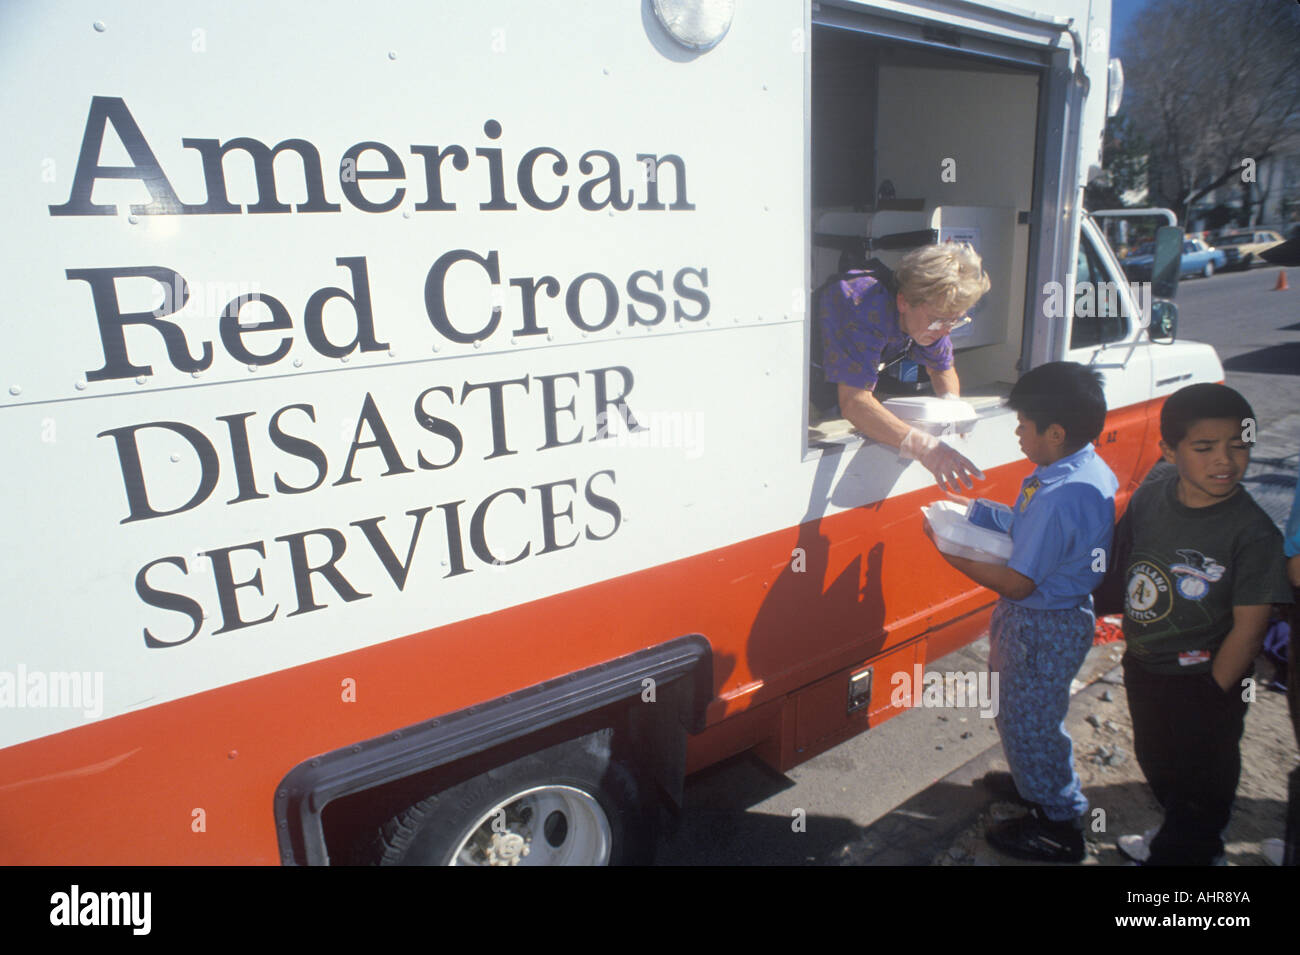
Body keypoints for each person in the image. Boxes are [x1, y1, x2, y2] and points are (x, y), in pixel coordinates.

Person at [923, 361, 1117, 862]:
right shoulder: (1073, 467)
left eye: (1023, 424)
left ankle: (1057, 822)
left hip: (1040, 625)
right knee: (1024, 714)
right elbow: (1030, 529)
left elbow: (1018, 580)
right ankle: (1036, 782)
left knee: (1029, 721)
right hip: (1049, 621)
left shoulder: (1060, 495)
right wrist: (980, 511)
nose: (1016, 431)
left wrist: (952, 553)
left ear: (1055, 432)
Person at [1108, 383, 1293, 865]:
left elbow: (1250, 630)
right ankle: (1181, 834)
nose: (1225, 461)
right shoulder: (1153, 492)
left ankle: (1192, 853)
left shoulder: (1254, 534)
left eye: (1239, 445)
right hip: (1145, 666)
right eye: (1205, 448)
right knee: (1158, 761)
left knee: (1204, 779)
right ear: (1169, 450)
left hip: (1206, 680)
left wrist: (1213, 694)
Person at [819, 242, 990, 492]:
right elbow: (854, 403)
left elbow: (941, 369)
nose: (944, 331)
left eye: (954, 322)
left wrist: (951, 412)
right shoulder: (861, 304)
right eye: (938, 321)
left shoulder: (934, 317)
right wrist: (926, 449)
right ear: (903, 302)